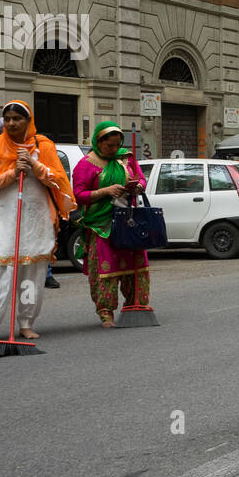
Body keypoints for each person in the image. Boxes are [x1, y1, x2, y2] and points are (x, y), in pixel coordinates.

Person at [0, 101, 75, 344]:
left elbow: (58, 181)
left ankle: (26, 323)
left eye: (17, 118)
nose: (12, 123)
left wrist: (35, 165)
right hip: (6, 216)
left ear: (29, 121)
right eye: (7, 119)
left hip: (36, 216)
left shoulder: (43, 146)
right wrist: (13, 172)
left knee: (31, 271)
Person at [72, 123, 151, 327]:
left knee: (136, 266)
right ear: (98, 142)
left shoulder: (126, 159)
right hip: (102, 225)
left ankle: (135, 306)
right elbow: (79, 196)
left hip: (128, 221)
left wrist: (138, 187)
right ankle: (105, 312)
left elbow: (141, 179)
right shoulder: (86, 164)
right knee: (106, 269)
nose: (115, 149)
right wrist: (105, 191)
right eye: (109, 146)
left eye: (118, 145)